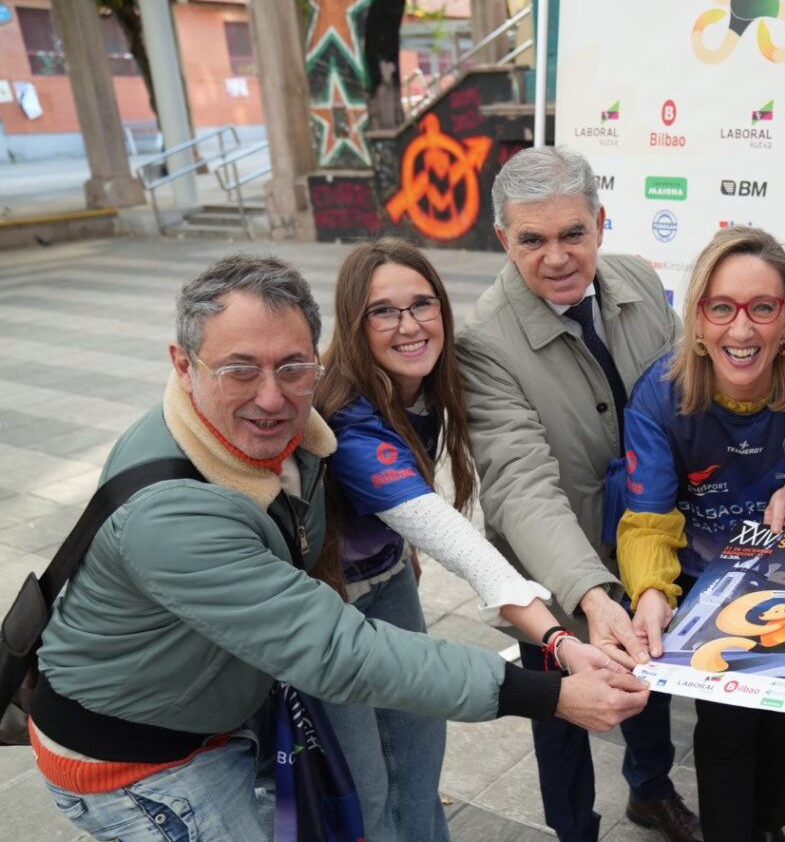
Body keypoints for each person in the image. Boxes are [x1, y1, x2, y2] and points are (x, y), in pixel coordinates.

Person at [29, 255, 650, 842]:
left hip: (212, 706)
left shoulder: (301, 433)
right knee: (360, 796)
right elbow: (338, 649)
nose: (272, 397)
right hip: (138, 762)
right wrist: (548, 690)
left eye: (293, 366)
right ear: (183, 364)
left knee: (392, 782)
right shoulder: (176, 512)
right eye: (239, 369)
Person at [314, 238, 626, 842]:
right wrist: (560, 640)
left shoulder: (428, 382)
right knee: (365, 785)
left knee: (417, 758)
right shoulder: (348, 420)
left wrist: (394, 542)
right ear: (355, 322)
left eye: (422, 304)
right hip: (329, 602)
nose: (409, 326)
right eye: (383, 311)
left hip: (388, 577)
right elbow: (458, 545)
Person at [457, 146, 700, 842]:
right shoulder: (483, 342)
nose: (556, 256)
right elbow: (522, 484)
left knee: (645, 671)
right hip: (556, 562)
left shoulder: (638, 282)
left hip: (646, 542)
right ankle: (574, 829)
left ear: (601, 221)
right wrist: (589, 595)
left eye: (573, 233)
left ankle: (651, 790)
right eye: (532, 239)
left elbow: (687, 398)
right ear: (504, 239)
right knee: (560, 704)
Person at [619, 225, 785, 842]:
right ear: (698, 318)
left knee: (784, 720)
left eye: (762, 307)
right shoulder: (661, 395)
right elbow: (649, 517)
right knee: (726, 728)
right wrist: (652, 591)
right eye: (721, 307)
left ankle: (769, 827)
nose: (742, 329)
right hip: (704, 583)